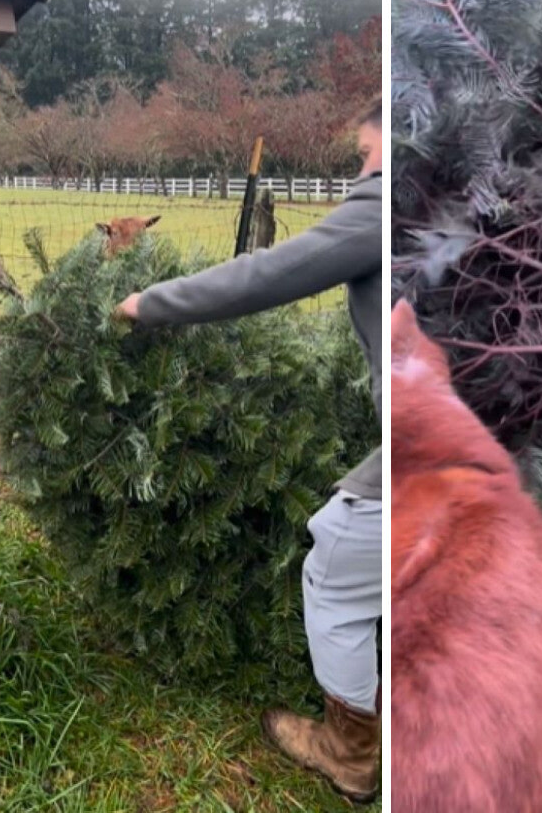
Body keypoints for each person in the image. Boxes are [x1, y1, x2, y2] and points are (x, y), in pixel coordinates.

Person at [116, 97, 383, 802]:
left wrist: (149, 303)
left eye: (365, 152)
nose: (362, 168)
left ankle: (351, 754)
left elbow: (264, 274)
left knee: (336, 562)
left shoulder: (387, 204)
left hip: (428, 443)